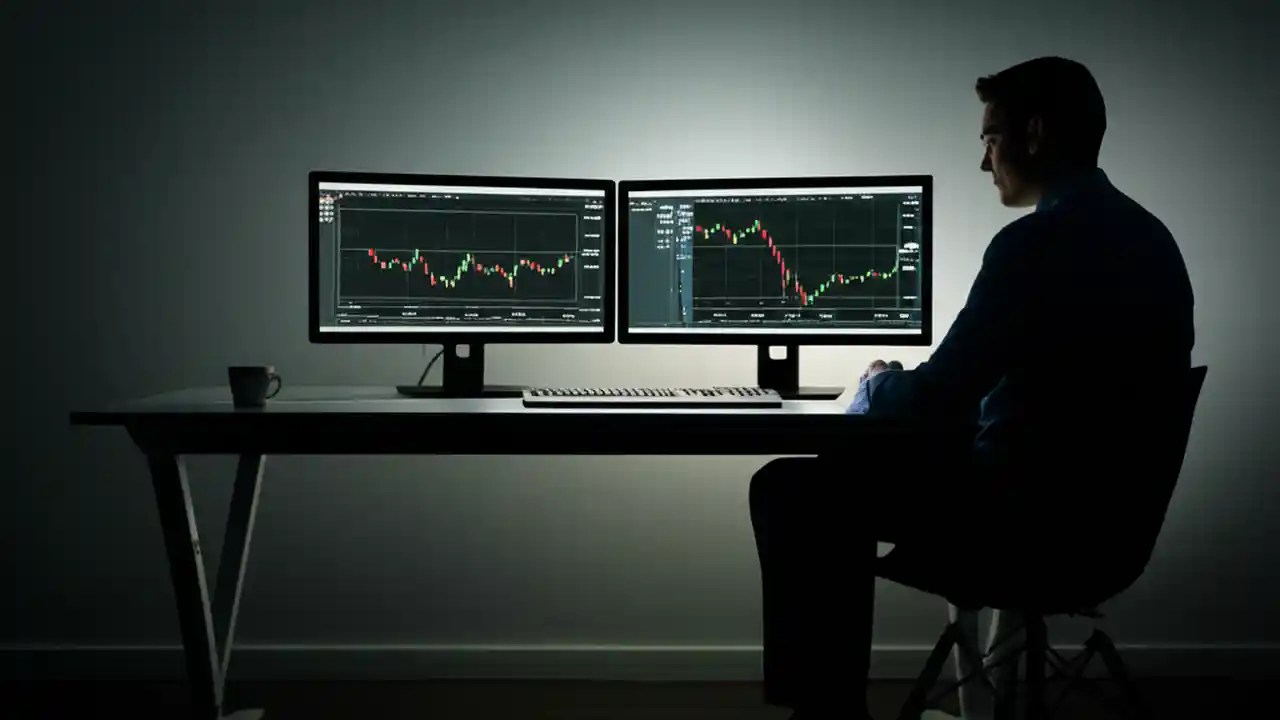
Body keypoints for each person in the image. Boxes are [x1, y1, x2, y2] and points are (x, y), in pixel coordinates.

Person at [749, 56, 1194, 720]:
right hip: (1109, 527)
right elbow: (1055, 399)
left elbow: (937, 398)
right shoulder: (1152, 238)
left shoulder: (1032, 245)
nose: (985, 162)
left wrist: (878, 386)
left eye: (990, 138)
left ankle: (826, 712)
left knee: (793, 487)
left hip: (1023, 524)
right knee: (844, 473)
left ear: (1034, 134)